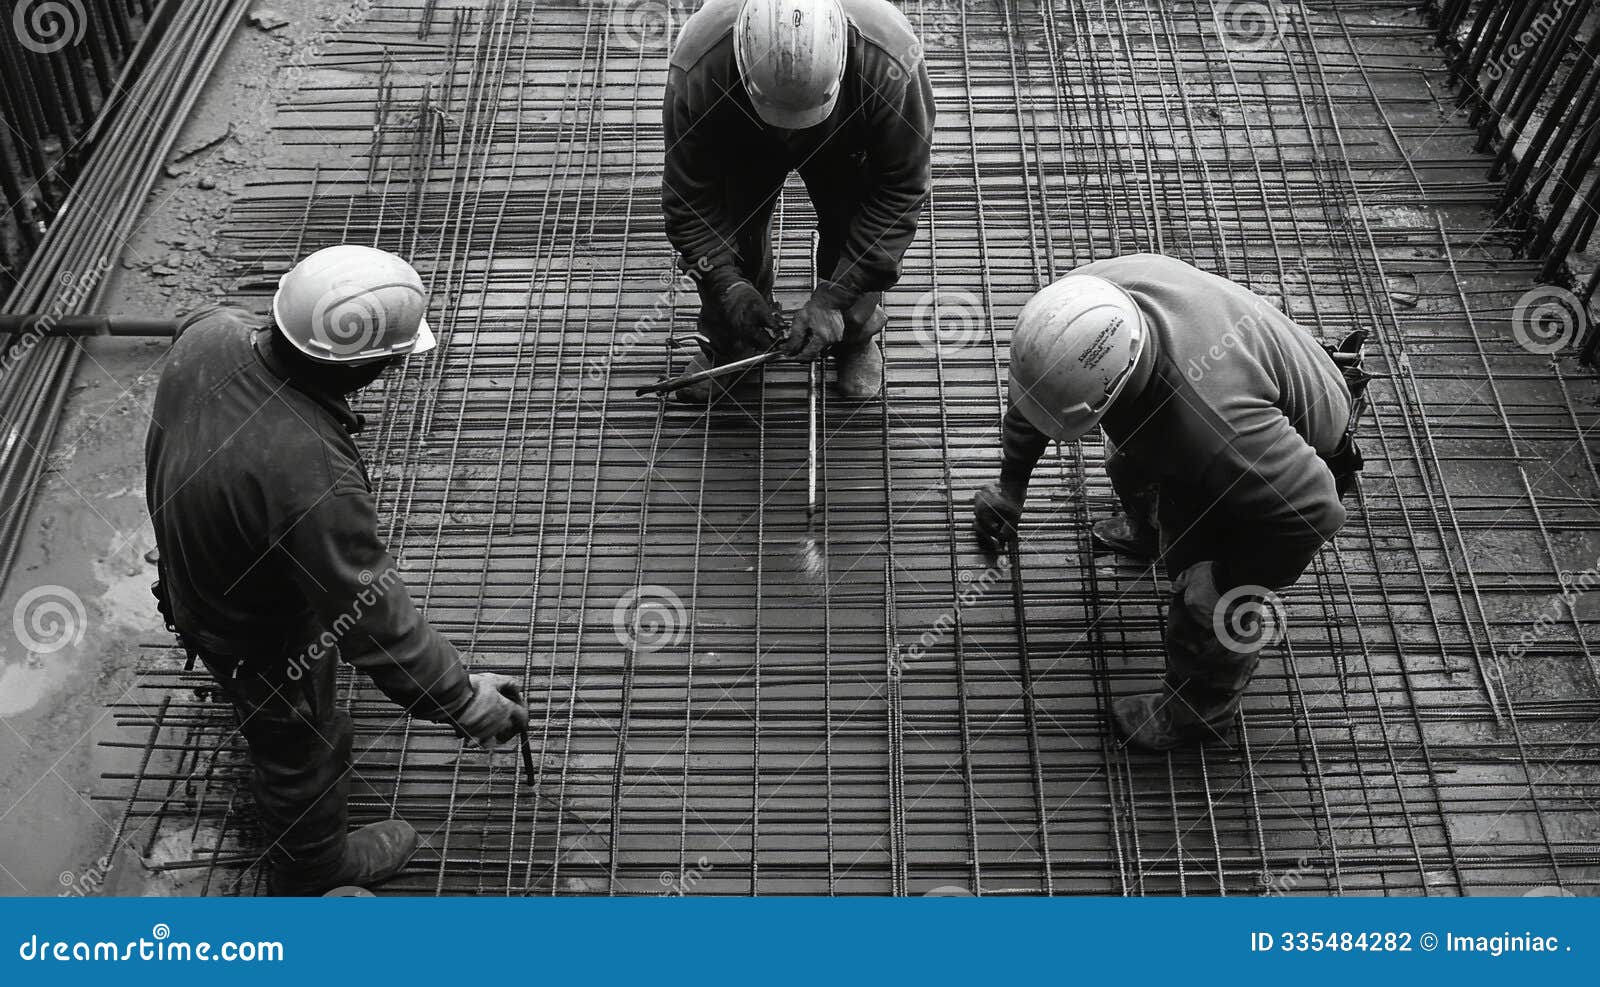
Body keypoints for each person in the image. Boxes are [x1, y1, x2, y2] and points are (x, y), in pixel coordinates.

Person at [145, 245, 530, 894]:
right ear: (365, 368)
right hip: (248, 630)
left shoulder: (209, 333)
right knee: (299, 738)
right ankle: (314, 869)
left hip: (191, 567)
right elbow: (372, 618)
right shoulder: (313, 475)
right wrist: (462, 698)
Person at [972, 254, 1360, 752]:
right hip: (1227, 390)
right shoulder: (1079, 308)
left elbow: (1313, 512)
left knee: (1209, 604)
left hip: (1296, 451)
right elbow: (1039, 400)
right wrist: (1012, 486)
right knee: (1126, 461)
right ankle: (1156, 530)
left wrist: (1227, 577)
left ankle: (1198, 712)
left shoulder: (1212, 428)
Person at [661, 0, 934, 403]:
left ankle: (853, 335)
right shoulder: (698, 69)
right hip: (738, 131)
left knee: (854, 217)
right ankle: (733, 341)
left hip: (848, 131)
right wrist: (727, 285)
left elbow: (899, 190)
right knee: (732, 216)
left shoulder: (890, 63)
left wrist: (835, 297)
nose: (789, 134)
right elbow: (691, 199)